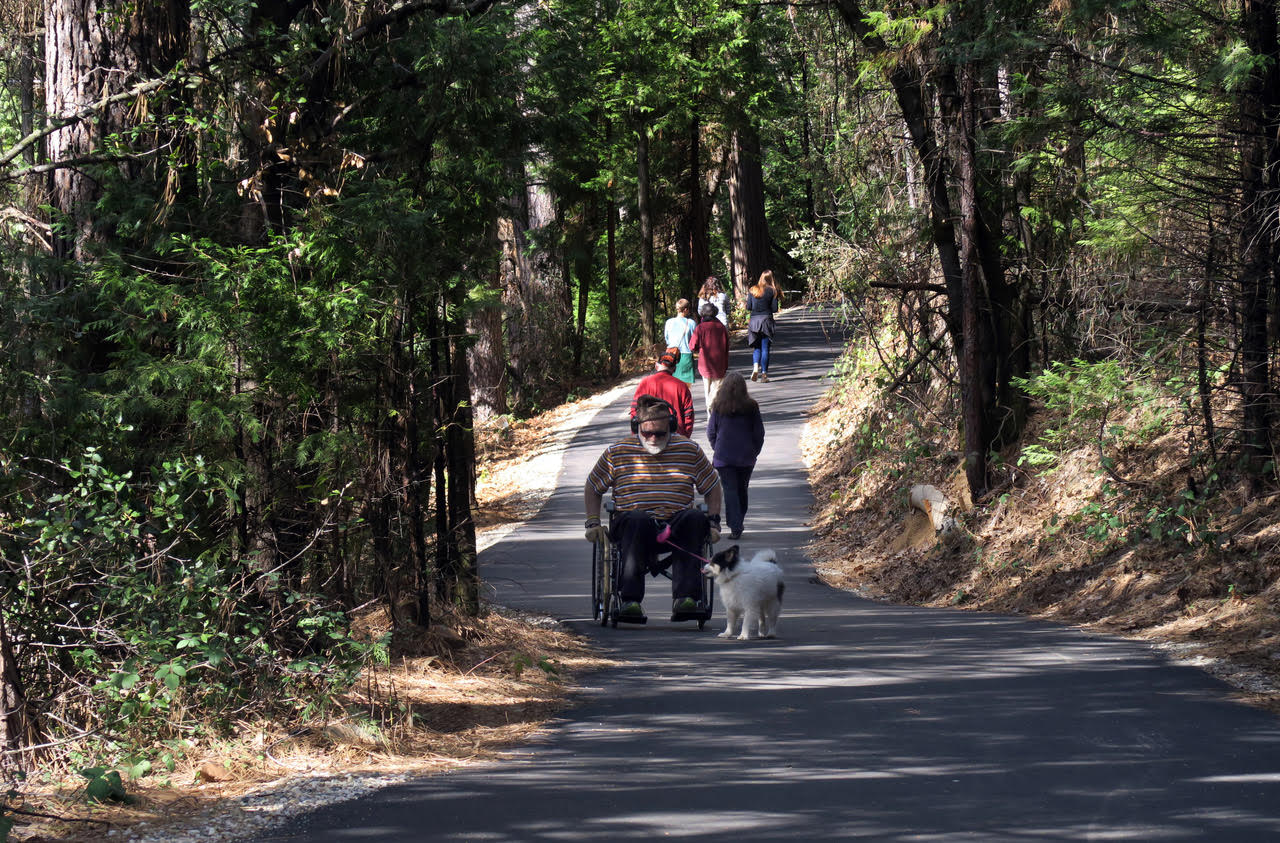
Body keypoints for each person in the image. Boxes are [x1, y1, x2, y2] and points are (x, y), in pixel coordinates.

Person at [585, 395, 724, 621]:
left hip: (676, 523)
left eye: (660, 433)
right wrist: (592, 522)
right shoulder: (617, 452)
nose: (653, 438)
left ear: (671, 427)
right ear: (636, 428)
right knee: (638, 520)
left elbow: (712, 485)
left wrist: (714, 521)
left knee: (695, 518)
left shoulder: (689, 450)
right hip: (632, 523)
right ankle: (629, 600)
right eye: (647, 433)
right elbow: (593, 486)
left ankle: (686, 598)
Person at [705, 372, 765, 540]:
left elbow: (711, 432)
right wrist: (755, 451)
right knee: (741, 489)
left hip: (724, 457)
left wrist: (717, 448)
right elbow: (759, 433)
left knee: (730, 491)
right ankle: (738, 522)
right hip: (746, 457)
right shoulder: (751, 407)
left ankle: (735, 525)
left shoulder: (718, 406)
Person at [630, 347, 695, 437]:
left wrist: (637, 435)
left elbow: (634, 411)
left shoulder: (645, 383)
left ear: (656, 366)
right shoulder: (682, 387)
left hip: (648, 437)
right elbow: (688, 415)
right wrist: (685, 437)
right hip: (675, 438)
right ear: (674, 369)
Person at [689, 301, 729, 408]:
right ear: (715, 313)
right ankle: (713, 407)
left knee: (707, 389)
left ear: (702, 313)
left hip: (704, 363)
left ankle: (709, 411)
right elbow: (727, 346)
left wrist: (698, 348)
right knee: (717, 389)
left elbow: (692, 346)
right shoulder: (721, 327)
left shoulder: (700, 328)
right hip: (720, 362)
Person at [744, 270, 781, 382]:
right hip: (766, 321)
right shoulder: (772, 291)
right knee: (765, 348)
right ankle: (764, 374)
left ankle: (755, 366)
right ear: (771, 278)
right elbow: (775, 309)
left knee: (757, 348)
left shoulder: (753, 290)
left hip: (754, 321)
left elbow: (748, 307)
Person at [663, 298, 698, 385]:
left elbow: (667, 339)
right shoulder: (691, 323)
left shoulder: (669, 322)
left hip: (670, 355)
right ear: (685, 309)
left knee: (671, 384)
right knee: (685, 386)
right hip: (685, 356)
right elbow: (694, 340)